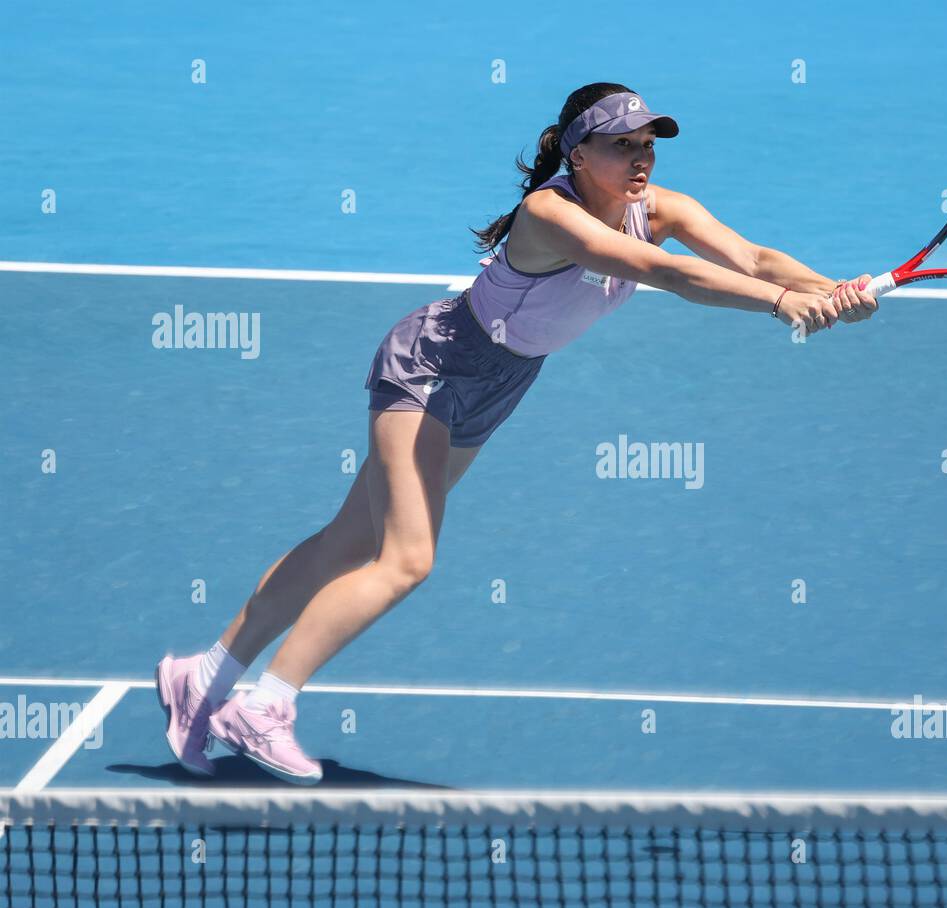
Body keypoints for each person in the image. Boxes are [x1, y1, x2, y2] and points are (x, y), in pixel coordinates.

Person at [155, 81, 878, 785]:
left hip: (501, 384)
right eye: (621, 145)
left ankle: (205, 676)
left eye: (648, 144)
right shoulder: (548, 215)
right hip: (434, 368)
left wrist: (828, 289)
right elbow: (661, 271)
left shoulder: (660, 207)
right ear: (576, 155)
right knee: (407, 559)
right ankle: (265, 704)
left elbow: (751, 259)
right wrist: (783, 304)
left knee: (350, 540)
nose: (641, 159)